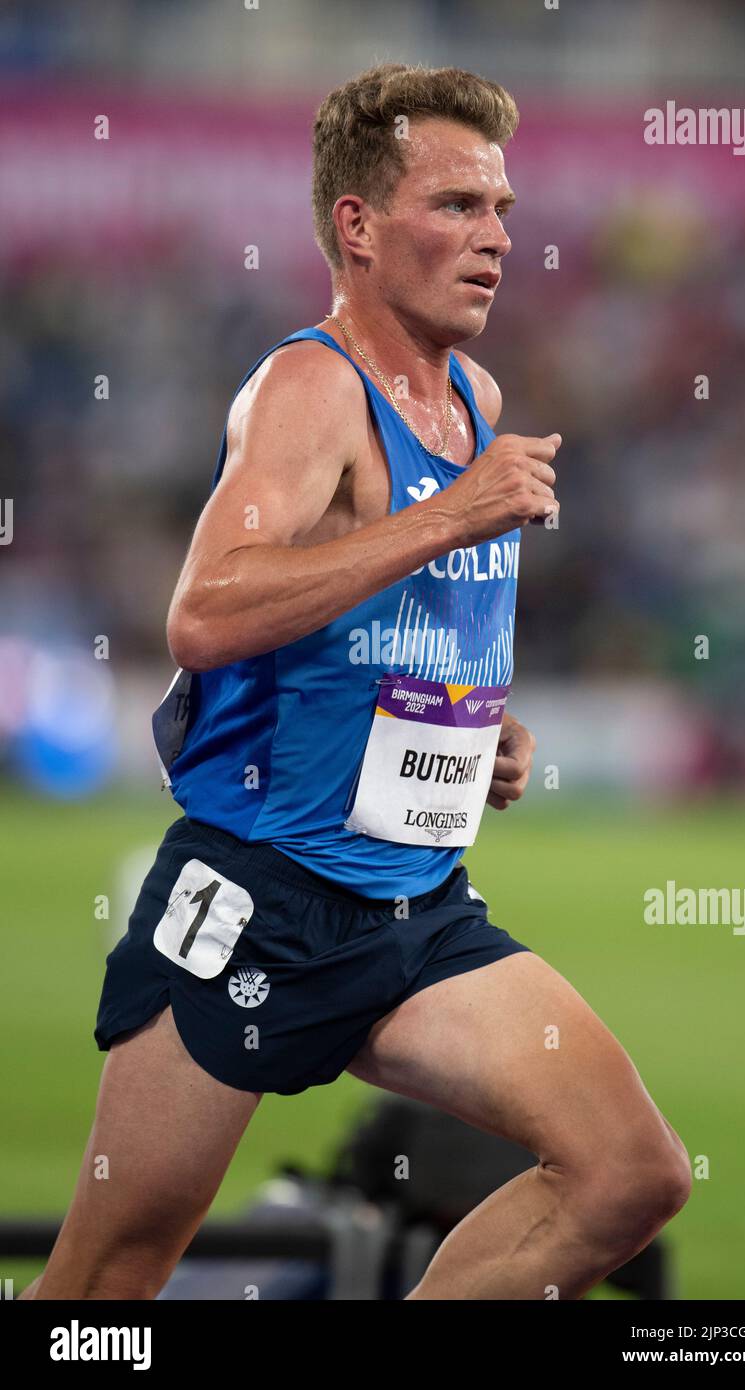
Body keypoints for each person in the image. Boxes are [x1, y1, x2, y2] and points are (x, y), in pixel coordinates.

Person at [19, 62, 690, 1302]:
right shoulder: (309, 389)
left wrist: (484, 730)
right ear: (359, 226)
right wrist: (450, 520)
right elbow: (205, 615)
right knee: (104, 1285)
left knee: (631, 1175)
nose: (493, 237)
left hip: (414, 911)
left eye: (500, 209)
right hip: (258, 899)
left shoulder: (474, 401)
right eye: (454, 206)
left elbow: (403, 637)